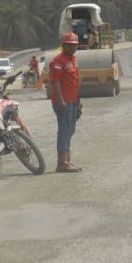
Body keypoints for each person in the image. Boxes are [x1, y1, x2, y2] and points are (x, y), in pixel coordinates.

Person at [49, 32, 82, 173]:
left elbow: (75, 81)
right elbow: (55, 82)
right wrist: (61, 100)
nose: (71, 48)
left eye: (74, 45)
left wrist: (79, 100)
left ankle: (67, 160)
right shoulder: (57, 61)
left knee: (70, 130)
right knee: (64, 131)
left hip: (73, 101)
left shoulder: (73, 60)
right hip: (63, 102)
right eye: (69, 45)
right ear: (63, 45)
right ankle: (61, 163)